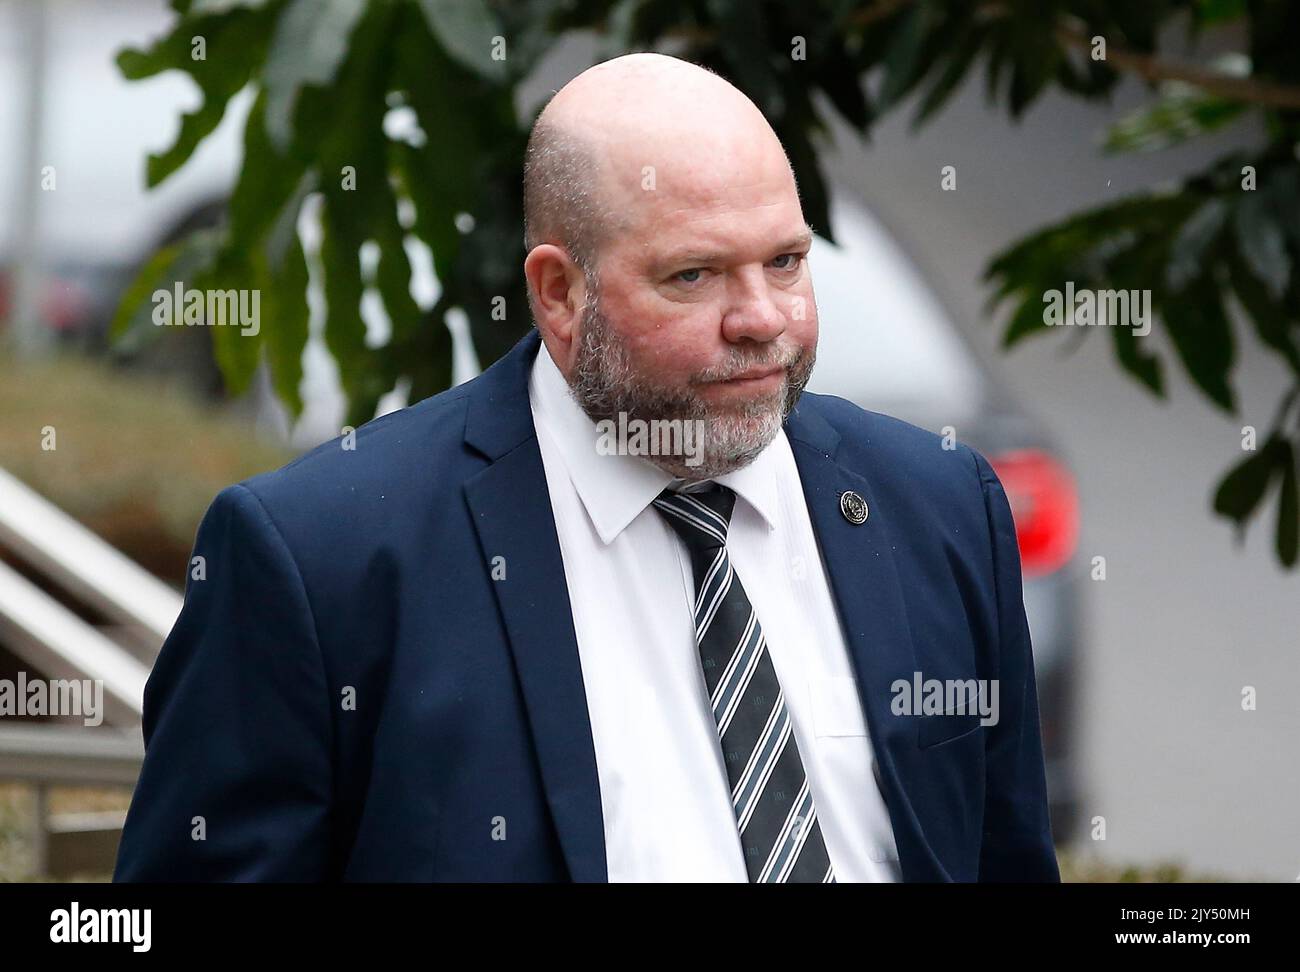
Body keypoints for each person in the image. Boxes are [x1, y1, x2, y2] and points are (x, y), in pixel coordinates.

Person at [114, 53, 1059, 883]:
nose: (763, 319)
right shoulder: (321, 561)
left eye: (784, 261)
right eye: (693, 275)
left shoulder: (939, 506)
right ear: (560, 294)